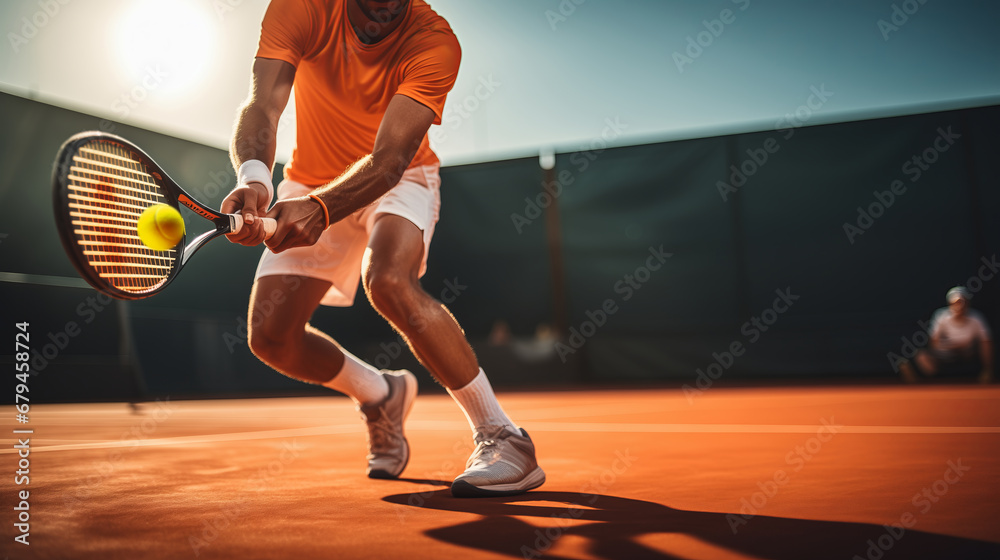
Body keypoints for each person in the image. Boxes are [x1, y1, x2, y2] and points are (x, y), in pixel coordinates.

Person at [221, 0, 544, 497]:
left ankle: (504, 436)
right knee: (272, 338)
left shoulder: (434, 42)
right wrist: (255, 179)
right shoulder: (300, 8)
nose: (385, 9)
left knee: (389, 280)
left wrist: (320, 209)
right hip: (309, 181)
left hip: (400, 179)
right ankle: (380, 393)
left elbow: (389, 160)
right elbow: (263, 106)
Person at [900, 287, 994, 384]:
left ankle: (985, 372)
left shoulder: (977, 318)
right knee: (921, 356)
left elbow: (986, 342)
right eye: (955, 303)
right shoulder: (941, 316)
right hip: (944, 357)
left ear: (967, 303)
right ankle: (920, 376)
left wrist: (987, 368)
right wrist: (951, 347)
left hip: (968, 356)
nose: (959, 306)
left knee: (985, 348)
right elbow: (933, 343)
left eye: (962, 302)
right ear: (949, 304)